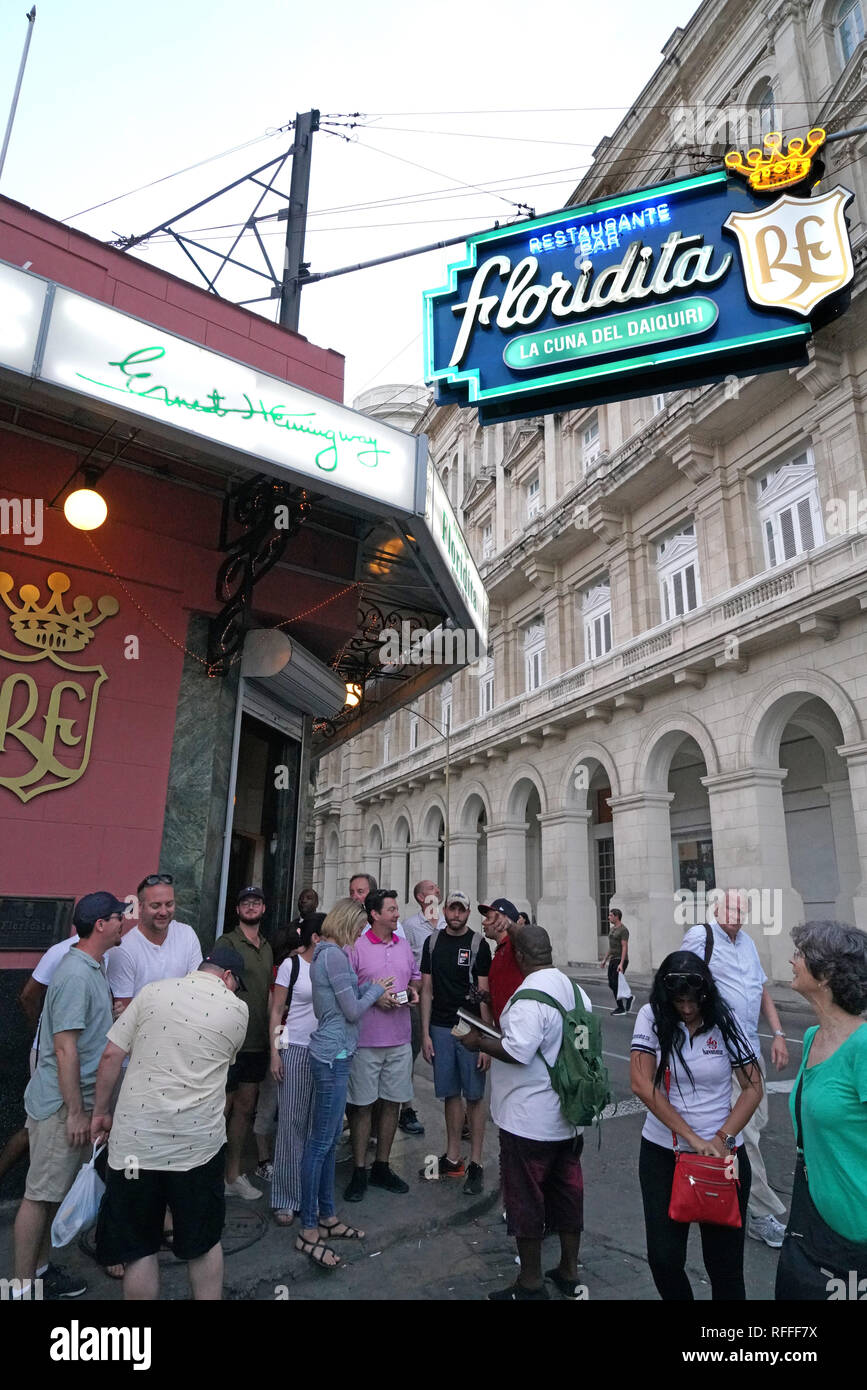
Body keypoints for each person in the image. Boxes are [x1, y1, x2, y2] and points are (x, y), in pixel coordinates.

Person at [91, 945, 249, 1301]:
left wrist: (101, 1112)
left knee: (139, 1249)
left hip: (134, 1147)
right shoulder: (237, 1010)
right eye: (238, 985)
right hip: (197, 1150)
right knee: (204, 1243)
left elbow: (111, 1053)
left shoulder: (153, 991)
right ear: (228, 978)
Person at [459, 925, 592, 1301]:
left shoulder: (530, 997)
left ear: (519, 957)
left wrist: (476, 1041)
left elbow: (517, 1050)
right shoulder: (575, 990)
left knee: (526, 1199)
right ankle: (568, 1270)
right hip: (568, 1115)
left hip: (529, 1119)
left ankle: (531, 1283)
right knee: (567, 1194)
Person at [11, 892, 126, 1301]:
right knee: (39, 1196)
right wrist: (77, 1112)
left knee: (49, 1193)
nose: (123, 922)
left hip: (69, 1104)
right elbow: (64, 1048)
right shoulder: (76, 974)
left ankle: (40, 1271)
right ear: (101, 924)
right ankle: (21, 1289)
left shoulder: (90, 966)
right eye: (118, 917)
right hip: (61, 1108)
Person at [630, 949, 762, 1301]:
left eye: (694, 1002)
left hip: (723, 1160)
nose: (687, 1009)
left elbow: (753, 1087)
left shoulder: (725, 1018)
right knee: (664, 1258)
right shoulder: (651, 1016)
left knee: (725, 1265)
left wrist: (721, 1138)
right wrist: (691, 1137)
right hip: (663, 1155)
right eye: (679, 1001)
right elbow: (642, 1084)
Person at [681, 889, 789, 1247]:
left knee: (757, 1124)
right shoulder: (702, 936)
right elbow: (683, 982)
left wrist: (776, 1033)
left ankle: (725, 1193)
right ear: (716, 908)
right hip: (723, 1054)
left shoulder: (746, 943)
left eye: (742, 909)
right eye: (731, 907)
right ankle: (760, 1213)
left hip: (751, 1051)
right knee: (747, 1135)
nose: (737, 914)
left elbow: (760, 990)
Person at [296, 898, 393, 1269]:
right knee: (321, 1142)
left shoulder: (326, 953)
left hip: (334, 1050)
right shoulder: (334, 955)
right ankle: (309, 1226)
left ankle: (326, 1216)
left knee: (328, 1137)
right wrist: (373, 988)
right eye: (356, 928)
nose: (358, 936)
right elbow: (352, 1009)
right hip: (333, 1054)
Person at [776, 920, 867, 1299]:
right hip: (810, 1226)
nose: (791, 960)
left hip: (858, 1232)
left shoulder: (862, 1047)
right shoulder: (813, 1037)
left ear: (826, 973)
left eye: (799, 954)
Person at [343, 888, 421, 1202]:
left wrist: (413, 990)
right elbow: (347, 987)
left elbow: (415, 975)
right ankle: (359, 1169)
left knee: (392, 1103)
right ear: (374, 914)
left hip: (400, 1038)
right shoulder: (356, 947)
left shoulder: (402, 945)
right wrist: (375, 997)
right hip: (366, 1041)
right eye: (391, 909)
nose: (396, 913)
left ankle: (382, 1165)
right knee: (362, 1106)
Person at [420, 889, 492, 1194]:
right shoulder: (432, 942)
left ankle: (475, 1161)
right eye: (452, 908)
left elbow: (484, 995)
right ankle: (453, 1156)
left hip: (470, 1028)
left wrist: (487, 1040)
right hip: (440, 1026)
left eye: (462, 910)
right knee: (450, 1093)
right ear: (444, 910)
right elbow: (426, 990)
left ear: (468, 912)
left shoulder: (478, 945)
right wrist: (424, 1033)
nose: (456, 914)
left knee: (474, 1096)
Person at [0, 926, 81, 1187]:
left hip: (79, 1052)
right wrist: (40, 1033)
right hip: (52, 1053)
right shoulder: (61, 952)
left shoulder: (111, 953)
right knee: (35, 1126)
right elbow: (27, 995)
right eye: (114, 918)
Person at [221, 886, 274, 1199]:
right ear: (237, 909)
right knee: (220, 1110)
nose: (251, 906)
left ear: (264, 909)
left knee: (244, 1110)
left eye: (256, 901)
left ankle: (232, 1175)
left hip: (256, 1041)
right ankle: (206, 1177)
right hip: (228, 1041)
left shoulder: (267, 947)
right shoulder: (227, 943)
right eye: (245, 902)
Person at [268, 916, 321, 1226]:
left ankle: (309, 1195)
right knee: (291, 1123)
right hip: (295, 1048)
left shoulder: (333, 965)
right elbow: (276, 1010)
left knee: (318, 1127)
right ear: (316, 937)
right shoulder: (293, 966)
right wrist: (275, 1053)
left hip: (324, 1052)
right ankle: (286, 1198)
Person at [105, 872, 201, 1012]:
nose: (163, 912)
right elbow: (123, 1014)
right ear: (140, 907)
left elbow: (197, 991)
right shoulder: (123, 949)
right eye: (155, 906)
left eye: (169, 904)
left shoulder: (187, 934)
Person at [397, 878, 445, 1137]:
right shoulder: (410, 927)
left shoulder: (449, 921)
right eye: (430, 889)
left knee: (450, 1049)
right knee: (411, 1050)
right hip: (418, 998)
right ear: (419, 897)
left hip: (446, 998)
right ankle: (406, 1108)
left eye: (437, 888)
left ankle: (458, 1111)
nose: (436, 890)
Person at [479, 898, 524, 1026]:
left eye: (488, 918)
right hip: (504, 1029)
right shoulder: (500, 952)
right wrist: (487, 997)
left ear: (502, 920)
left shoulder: (515, 946)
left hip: (518, 1028)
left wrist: (512, 926)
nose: (484, 923)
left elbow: (529, 940)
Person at [600, 907, 633, 1014]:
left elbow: (624, 947)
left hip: (620, 959)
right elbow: (611, 947)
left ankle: (622, 1006)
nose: (609, 917)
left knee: (615, 982)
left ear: (616, 916)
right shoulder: (612, 929)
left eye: (610, 915)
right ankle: (627, 998)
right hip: (613, 959)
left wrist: (622, 964)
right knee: (611, 983)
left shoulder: (623, 930)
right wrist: (605, 959)